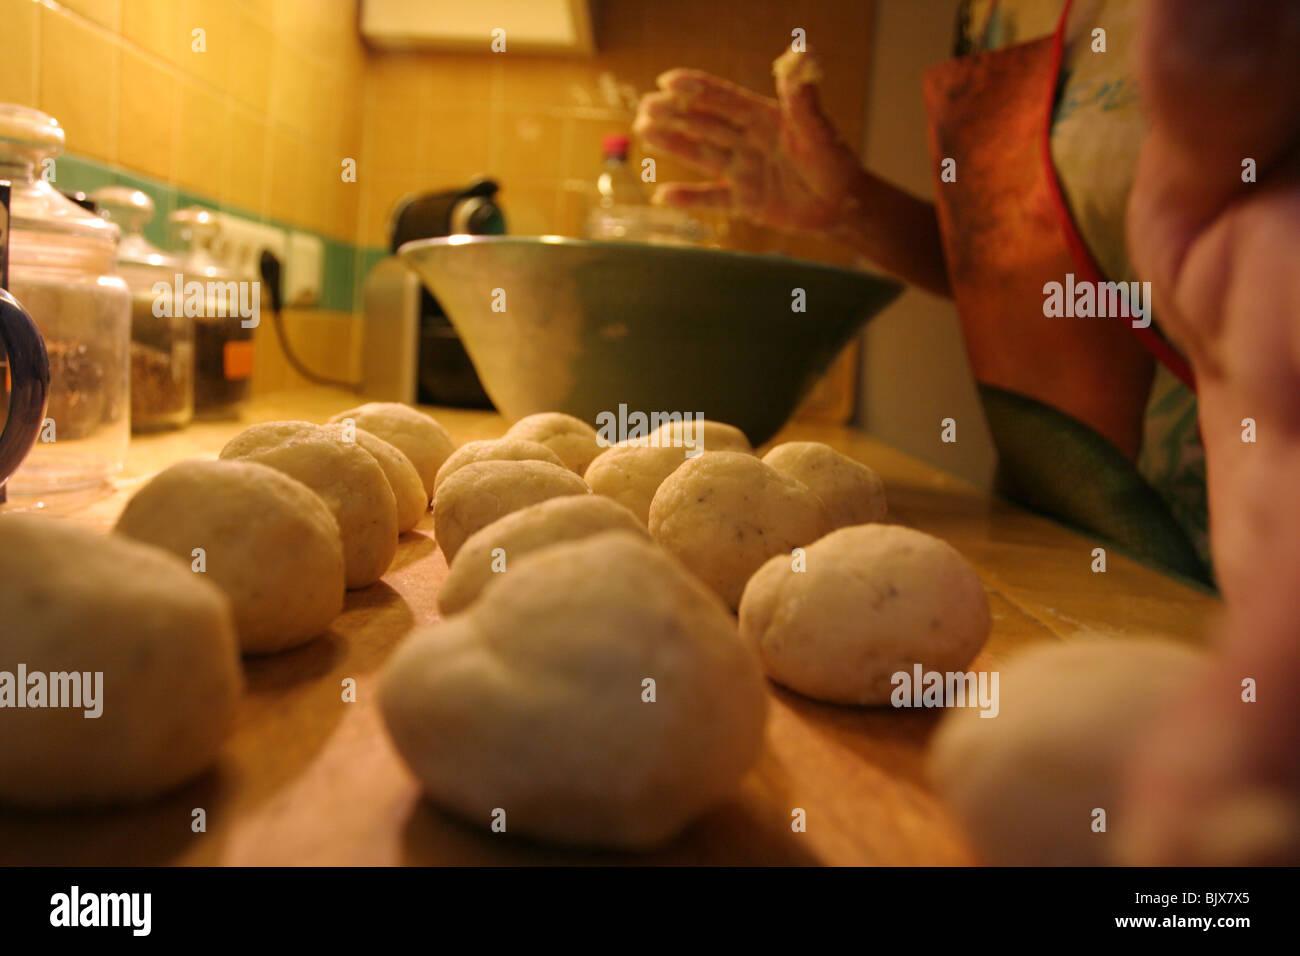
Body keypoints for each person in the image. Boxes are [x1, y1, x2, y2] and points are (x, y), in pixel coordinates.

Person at [635, 0, 1300, 864]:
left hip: (1251, 565)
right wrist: (851, 210)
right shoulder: (986, 11)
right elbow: (1022, 266)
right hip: (1060, 543)